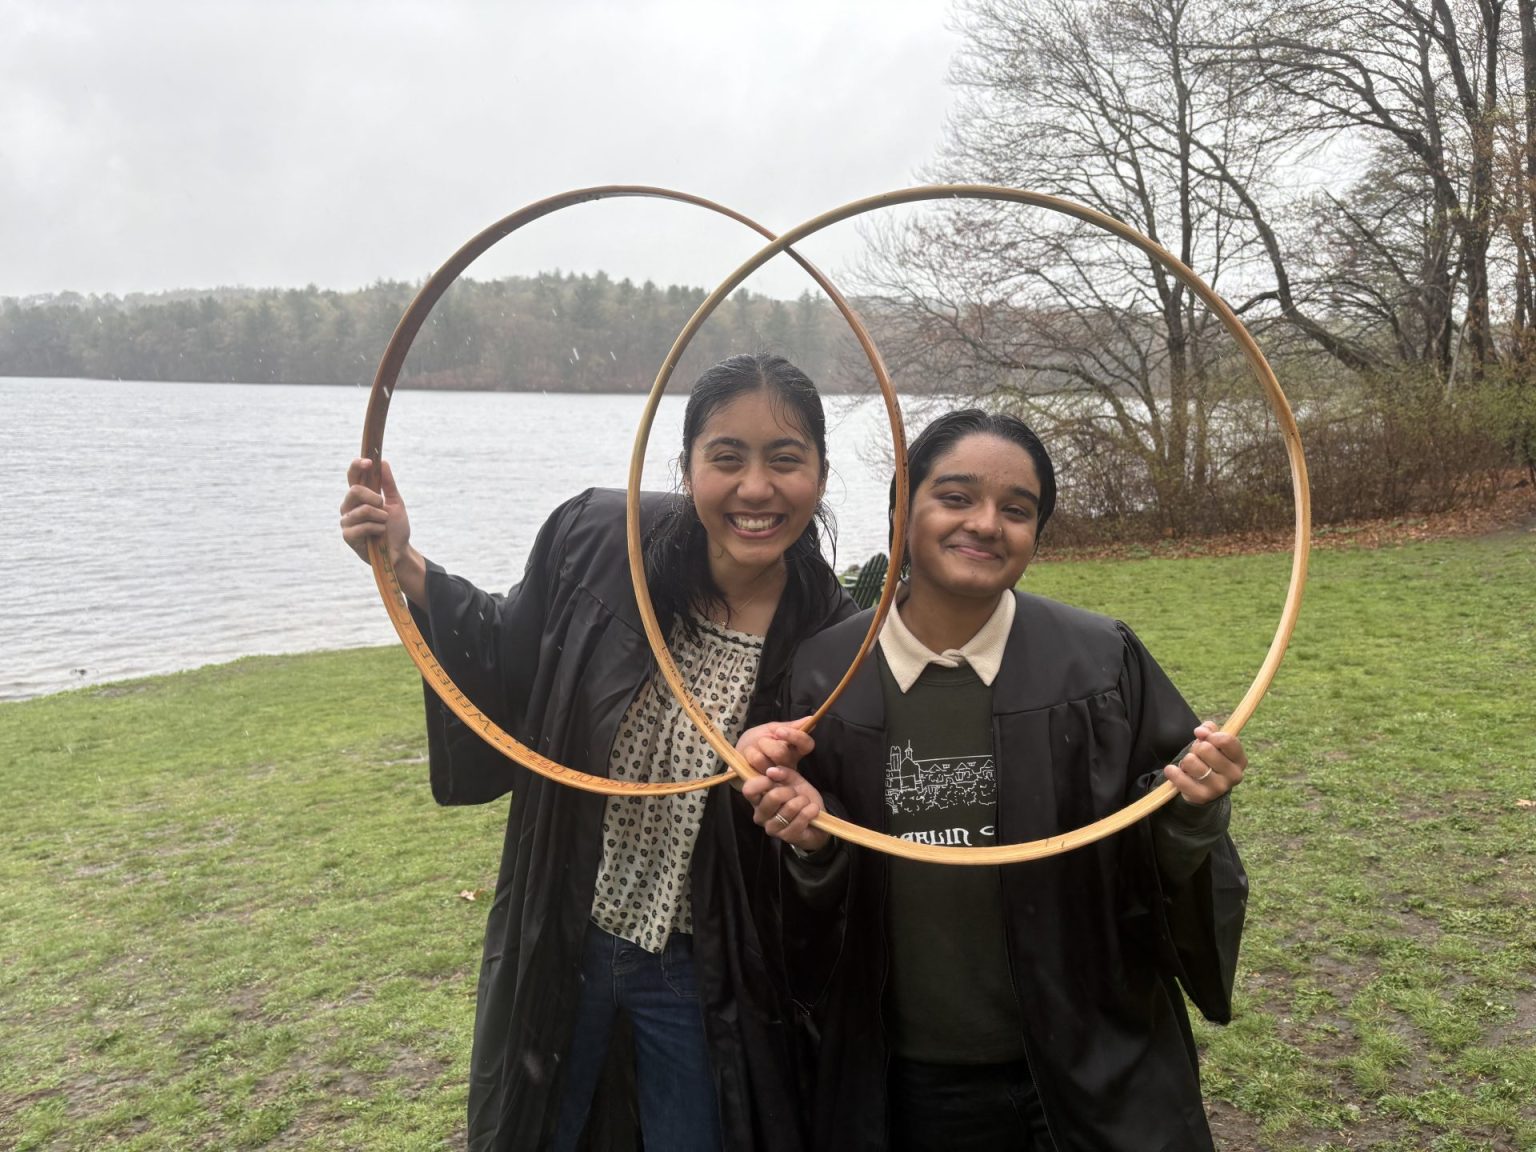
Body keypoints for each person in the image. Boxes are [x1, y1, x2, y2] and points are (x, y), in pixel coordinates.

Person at [338, 354, 855, 1152]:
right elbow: (512, 655)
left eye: (785, 459)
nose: (756, 489)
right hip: (568, 934)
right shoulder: (600, 546)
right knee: (542, 1127)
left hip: (705, 972)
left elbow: (838, 839)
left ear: (819, 473)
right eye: (727, 457)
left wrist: (804, 818)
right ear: (685, 465)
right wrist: (404, 561)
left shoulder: (836, 641)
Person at [738, 409, 1249, 1152]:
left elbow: (1153, 860)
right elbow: (795, 901)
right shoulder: (825, 675)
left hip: (1090, 1060)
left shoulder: (1099, 663)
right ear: (901, 510)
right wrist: (809, 842)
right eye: (955, 497)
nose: (985, 524)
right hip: (909, 1079)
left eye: (1017, 509)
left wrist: (1194, 808)